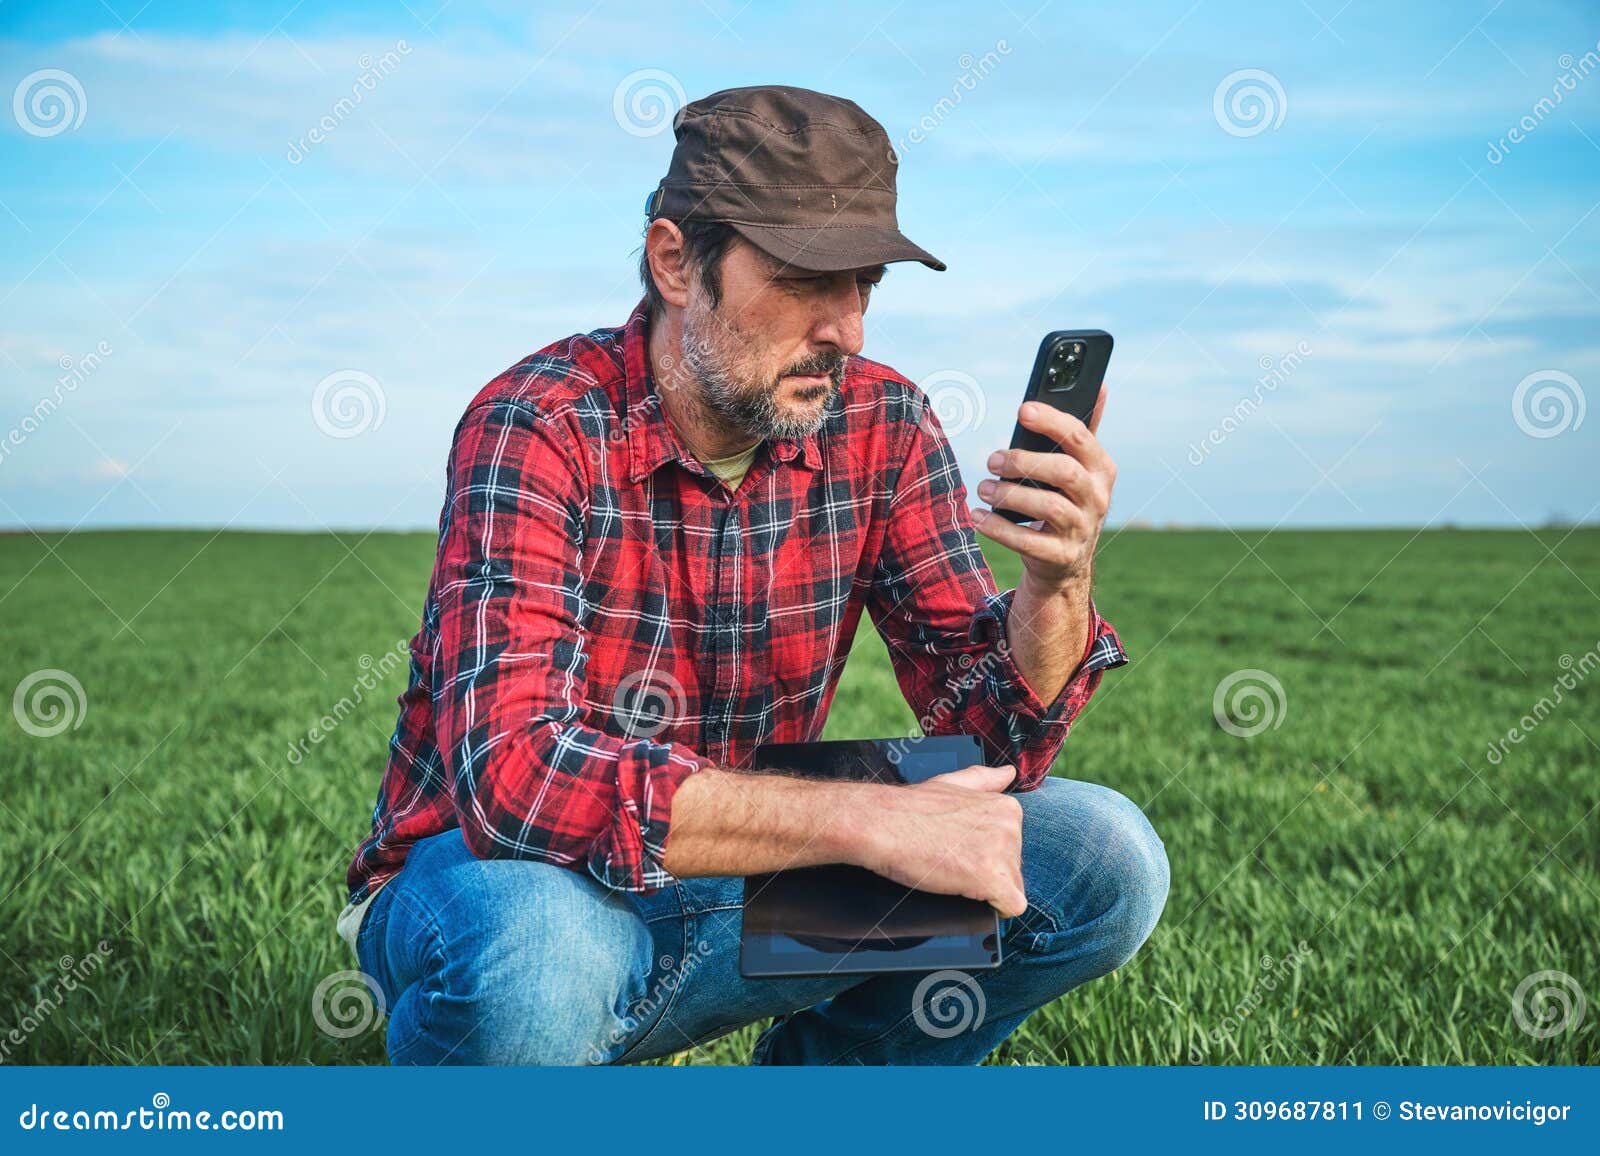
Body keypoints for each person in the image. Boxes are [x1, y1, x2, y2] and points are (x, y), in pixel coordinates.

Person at [336, 84, 1167, 1065]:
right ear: (676, 262)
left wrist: (1052, 590)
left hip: (753, 875)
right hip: (509, 882)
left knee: (1101, 855)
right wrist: (864, 820)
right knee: (535, 955)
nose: (848, 329)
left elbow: (989, 751)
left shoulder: (886, 426)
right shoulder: (540, 425)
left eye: (863, 283)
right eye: (808, 278)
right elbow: (517, 777)